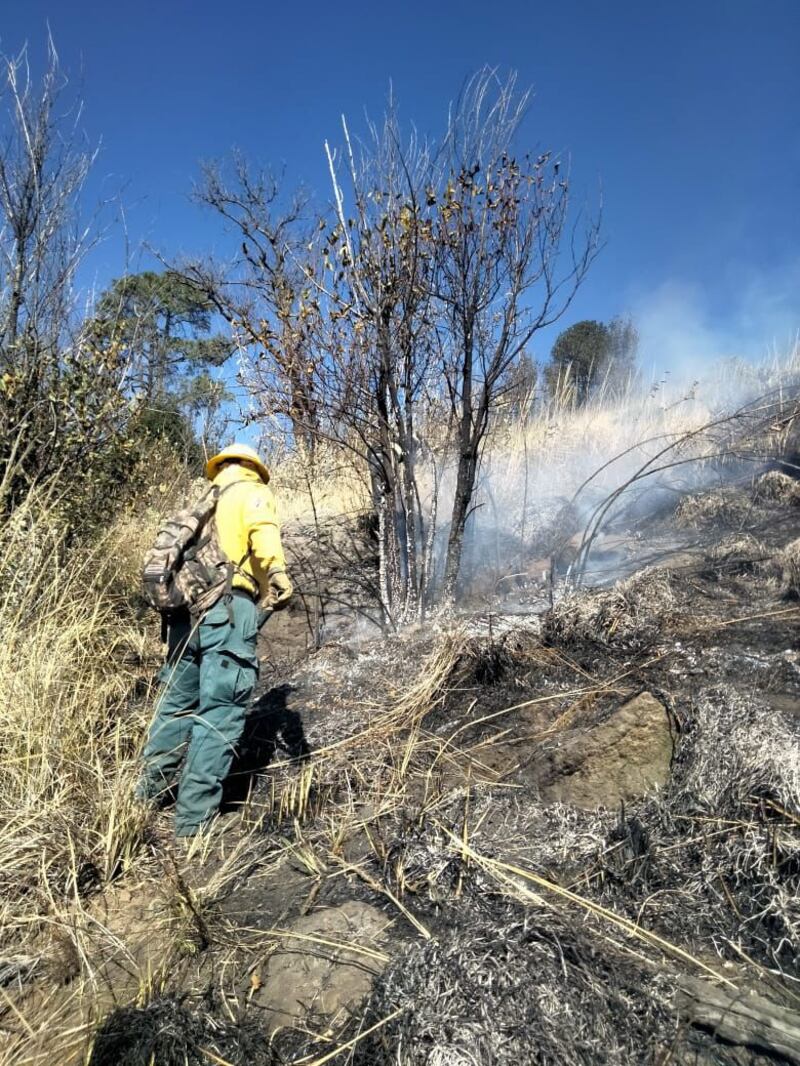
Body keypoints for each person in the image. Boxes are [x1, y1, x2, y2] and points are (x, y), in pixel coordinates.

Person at [136, 443, 293, 838]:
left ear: (220, 467)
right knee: (220, 710)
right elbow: (263, 532)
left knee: (174, 706)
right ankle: (193, 820)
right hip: (226, 608)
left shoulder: (204, 503)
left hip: (183, 618)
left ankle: (147, 798)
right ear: (253, 467)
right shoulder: (253, 492)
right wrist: (276, 572)